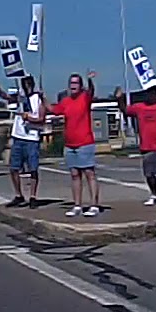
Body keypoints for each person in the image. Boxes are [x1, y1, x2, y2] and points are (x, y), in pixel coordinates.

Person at [49, 71, 100, 217]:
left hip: (85, 141)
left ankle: (94, 205)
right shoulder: (65, 101)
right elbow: (54, 110)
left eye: (76, 83)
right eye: (71, 83)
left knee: (89, 173)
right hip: (70, 144)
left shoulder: (85, 98)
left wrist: (90, 81)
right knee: (74, 174)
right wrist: (43, 98)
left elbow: (91, 91)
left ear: (81, 85)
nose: (73, 86)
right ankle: (77, 205)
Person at [120, 82, 156, 205]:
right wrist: (119, 98)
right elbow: (125, 110)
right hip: (147, 145)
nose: (150, 96)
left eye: (152, 93)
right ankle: (154, 194)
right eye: (147, 93)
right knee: (149, 173)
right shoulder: (139, 107)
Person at [0, 76, 44, 208]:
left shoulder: (38, 99)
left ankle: (33, 196)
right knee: (14, 168)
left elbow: (41, 119)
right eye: (24, 85)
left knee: (33, 168)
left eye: (28, 85)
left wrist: (29, 118)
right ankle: (18, 195)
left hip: (32, 138)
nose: (26, 87)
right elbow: (6, 97)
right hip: (18, 137)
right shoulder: (20, 98)